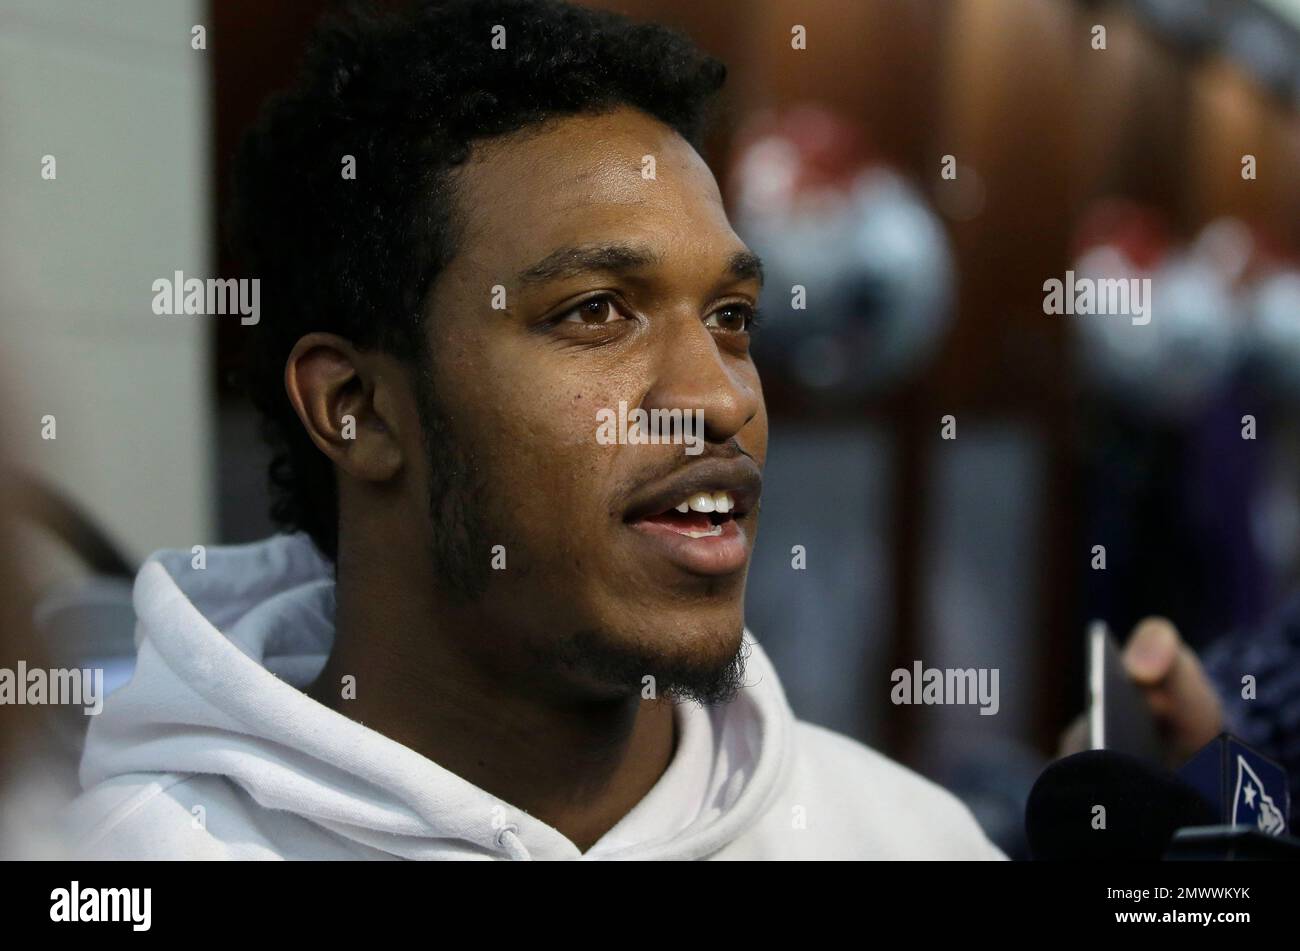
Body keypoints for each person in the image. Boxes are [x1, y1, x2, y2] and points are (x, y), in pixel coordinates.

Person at [67, 0, 1004, 860]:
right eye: (596, 311)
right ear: (356, 406)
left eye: (730, 317)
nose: (720, 402)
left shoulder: (904, 836)